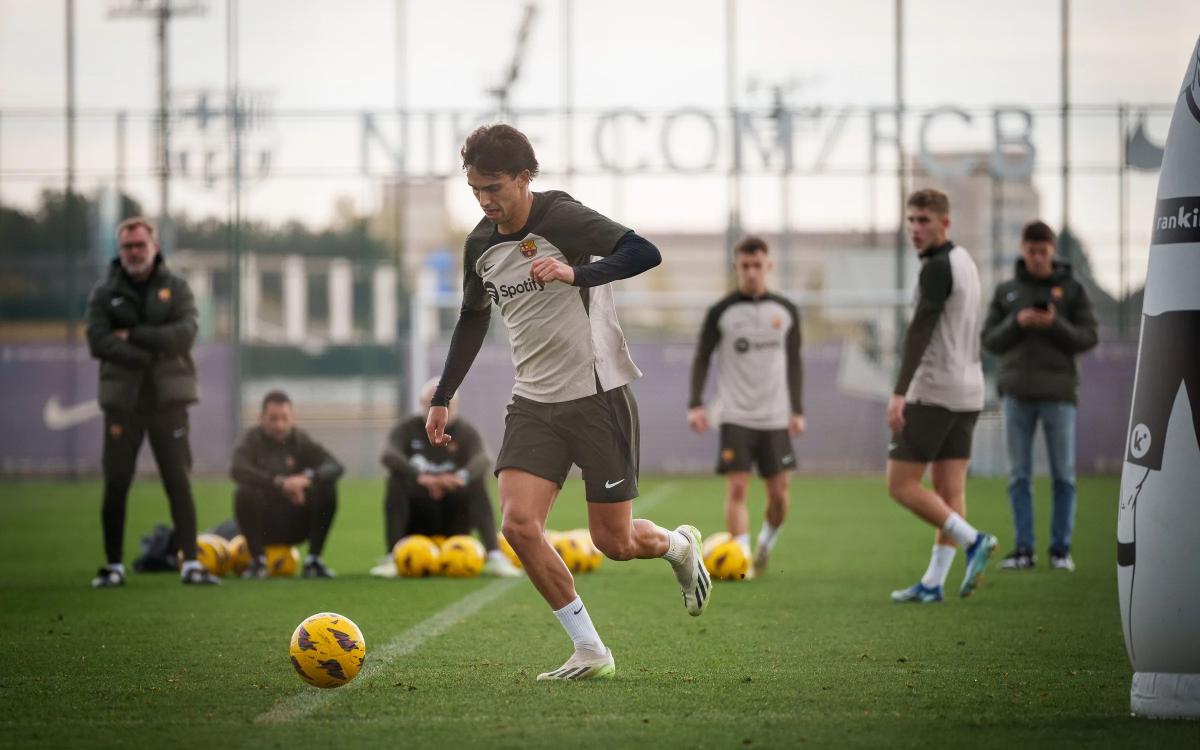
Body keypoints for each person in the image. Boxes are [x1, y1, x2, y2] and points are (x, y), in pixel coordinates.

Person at [426, 123, 710, 682]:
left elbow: (643, 252)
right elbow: (472, 318)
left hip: (597, 396)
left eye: (495, 188)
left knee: (615, 542)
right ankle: (590, 649)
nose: (486, 202)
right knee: (519, 525)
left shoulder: (562, 217)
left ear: (524, 177)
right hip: (533, 403)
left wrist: (574, 271)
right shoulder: (480, 244)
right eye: (475, 191)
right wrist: (443, 396)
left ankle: (678, 546)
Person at [85, 217, 218, 587]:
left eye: (140, 245)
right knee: (116, 484)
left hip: (168, 403)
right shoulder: (103, 292)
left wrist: (134, 336)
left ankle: (190, 563)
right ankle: (113, 566)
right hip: (122, 405)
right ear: (120, 250)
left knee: (179, 481)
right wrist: (148, 352)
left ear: (154, 246)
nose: (134, 252)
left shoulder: (176, 288)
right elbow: (98, 340)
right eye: (127, 246)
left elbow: (186, 333)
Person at [886, 189, 997, 604]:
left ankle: (974, 541)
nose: (915, 228)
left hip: (933, 391)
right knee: (950, 490)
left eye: (924, 220)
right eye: (911, 220)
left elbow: (919, 332)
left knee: (900, 485)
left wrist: (899, 394)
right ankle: (934, 582)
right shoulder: (965, 262)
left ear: (944, 223)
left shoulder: (935, 268)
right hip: (969, 391)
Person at [982, 220, 1098, 572]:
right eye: (1030, 251)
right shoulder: (1006, 291)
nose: (1036, 258)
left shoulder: (1072, 290)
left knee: (1063, 475)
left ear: (1052, 251)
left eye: (1042, 251)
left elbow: (1089, 337)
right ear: (1023, 250)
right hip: (1016, 395)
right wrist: (1018, 322)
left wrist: (1054, 324)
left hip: (1059, 395)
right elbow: (989, 340)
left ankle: (1060, 550)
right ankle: (1024, 550)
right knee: (1019, 475)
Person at [687, 235, 805, 576]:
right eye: (745, 266)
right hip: (735, 414)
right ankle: (741, 559)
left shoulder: (786, 311)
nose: (752, 272)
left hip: (776, 417)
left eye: (758, 265)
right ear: (736, 267)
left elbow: (795, 362)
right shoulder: (721, 312)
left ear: (768, 266)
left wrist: (797, 410)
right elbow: (701, 357)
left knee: (779, 495)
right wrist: (696, 403)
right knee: (737, 486)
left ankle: (766, 542)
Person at [373, 377, 521, 578]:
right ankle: (393, 556)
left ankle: (494, 555)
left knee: (476, 482)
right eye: (432, 404)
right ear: (422, 404)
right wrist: (420, 477)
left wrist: (461, 477)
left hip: (454, 519)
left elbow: (483, 458)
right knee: (395, 482)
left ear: (456, 406)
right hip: (419, 518)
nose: (440, 409)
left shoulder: (465, 431)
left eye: (446, 404)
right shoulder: (407, 429)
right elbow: (388, 454)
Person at [230, 390, 343, 579]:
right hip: (263, 525)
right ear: (261, 418)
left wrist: (306, 479)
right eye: (273, 419)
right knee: (244, 491)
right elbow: (238, 469)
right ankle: (258, 562)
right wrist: (281, 485)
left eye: (284, 418)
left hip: (295, 522)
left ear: (292, 418)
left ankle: (313, 561)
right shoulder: (252, 441)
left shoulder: (301, 441)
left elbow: (334, 466)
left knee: (327, 489)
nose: (279, 425)